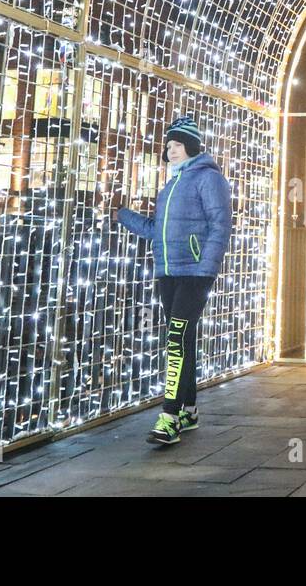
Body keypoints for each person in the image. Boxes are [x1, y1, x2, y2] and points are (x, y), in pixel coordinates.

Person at [115, 116, 231, 446]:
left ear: (191, 146)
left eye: (176, 145)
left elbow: (220, 226)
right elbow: (156, 231)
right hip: (168, 272)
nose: (170, 152)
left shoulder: (209, 179)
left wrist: (205, 269)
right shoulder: (171, 185)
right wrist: (123, 215)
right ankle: (189, 410)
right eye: (168, 146)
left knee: (176, 340)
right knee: (184, 340)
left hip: (194, 274)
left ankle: (169, 417)